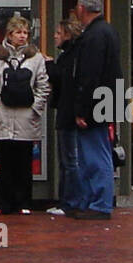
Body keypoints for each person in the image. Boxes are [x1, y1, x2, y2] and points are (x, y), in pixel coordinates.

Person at [0, 15, 51, 215]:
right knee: (5, 163)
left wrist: (34, 110)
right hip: (2, 117)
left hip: (26, 118)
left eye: (26, 33)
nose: (23, 36)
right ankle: (5, 203)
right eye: (19, 32)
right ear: (9, 34)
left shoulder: (36, 58)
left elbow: (43, 86)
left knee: (24, 163)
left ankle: (24, 203)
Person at [66, 0, 122, 220]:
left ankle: (99, 203)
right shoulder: (108, 31)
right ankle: (96, 201)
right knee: (98, 153)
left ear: (82, 9)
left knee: (95, 156)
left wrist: (82, 110)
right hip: (107, 101)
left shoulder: (93, 36)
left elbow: (89, 75)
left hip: (96, 105)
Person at [46, 15, 83, 217]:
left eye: (59, 33)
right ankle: (67, 200)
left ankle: (69, 202)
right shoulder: (71, 55)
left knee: (69, 161)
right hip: (68, 113)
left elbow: (64, 82)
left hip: (68, 115)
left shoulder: (69, 57)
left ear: (68, 35)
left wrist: (50, 67)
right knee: (68, 160)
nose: (55, 36)